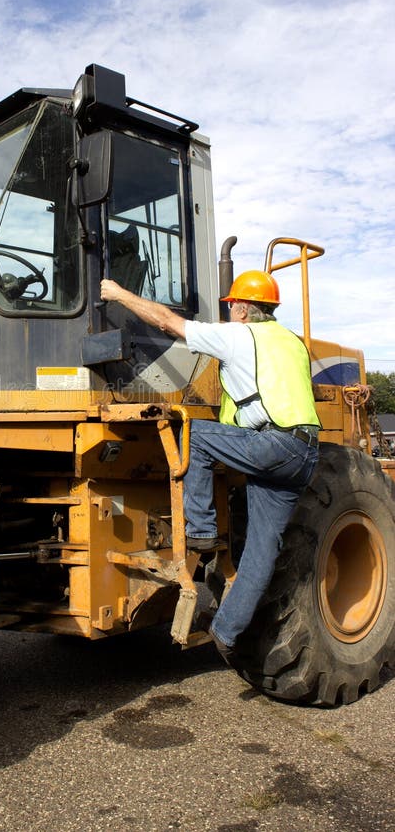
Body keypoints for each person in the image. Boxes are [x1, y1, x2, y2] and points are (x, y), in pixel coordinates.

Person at [100, 270, 320, 661]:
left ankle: (200, 529)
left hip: (272, 444)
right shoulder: (293, 342)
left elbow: (169, 323)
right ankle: (226, 631)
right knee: (262, 550)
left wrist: (118, 294)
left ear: (239, 307)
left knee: (195, 433)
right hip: (303, 453)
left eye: (231, 304)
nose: (229, 310)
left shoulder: (238, 335)